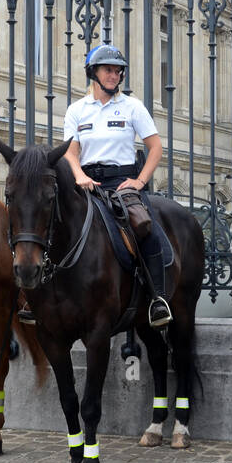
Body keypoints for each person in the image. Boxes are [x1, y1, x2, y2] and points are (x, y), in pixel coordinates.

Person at [62, 43, 170, 328]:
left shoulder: (132, 107)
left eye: (117, 71)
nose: (114, 75)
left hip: (123, 183)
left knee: (146, 228)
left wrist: (139, 181)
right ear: (93, 73)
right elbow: (71, 152)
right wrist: (78, 175)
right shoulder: (77, 110)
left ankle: (158, 299)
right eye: (108, 70)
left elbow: (155, 147)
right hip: (86, 182)